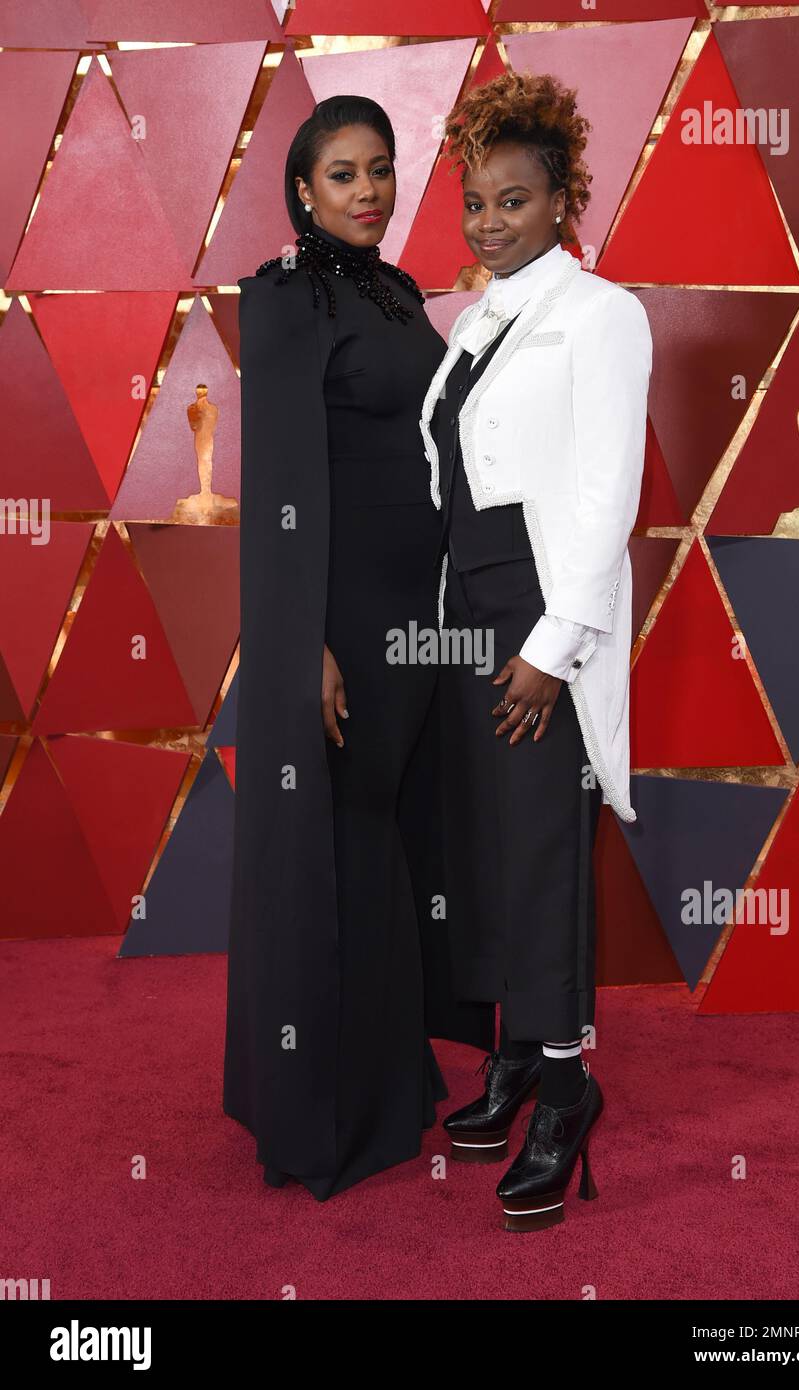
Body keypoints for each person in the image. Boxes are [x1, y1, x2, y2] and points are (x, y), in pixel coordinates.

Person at [223, 95, 492, 1202]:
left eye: (379, 169)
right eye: (343, 174)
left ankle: (388, 1081)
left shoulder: (395, 294)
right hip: (341, 626)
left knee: (385, 841)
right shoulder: (285, 301)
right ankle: (317, 1114)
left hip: (416, 616)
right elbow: (282, 489)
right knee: (337, 845)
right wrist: (307, 648)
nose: (367, 190)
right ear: (301, 189)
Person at [420, 71, 652, 1231]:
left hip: (539, 615)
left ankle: (567, 1089)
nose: (488, 222)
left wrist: (550, 649)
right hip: (470, 602)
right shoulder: (476, 317)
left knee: (543, 854)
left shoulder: (601, 313)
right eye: (475, 202)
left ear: (563, 201)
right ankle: (518, 1051)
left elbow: (609, 494)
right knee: (488, 842)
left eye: (514, 201)